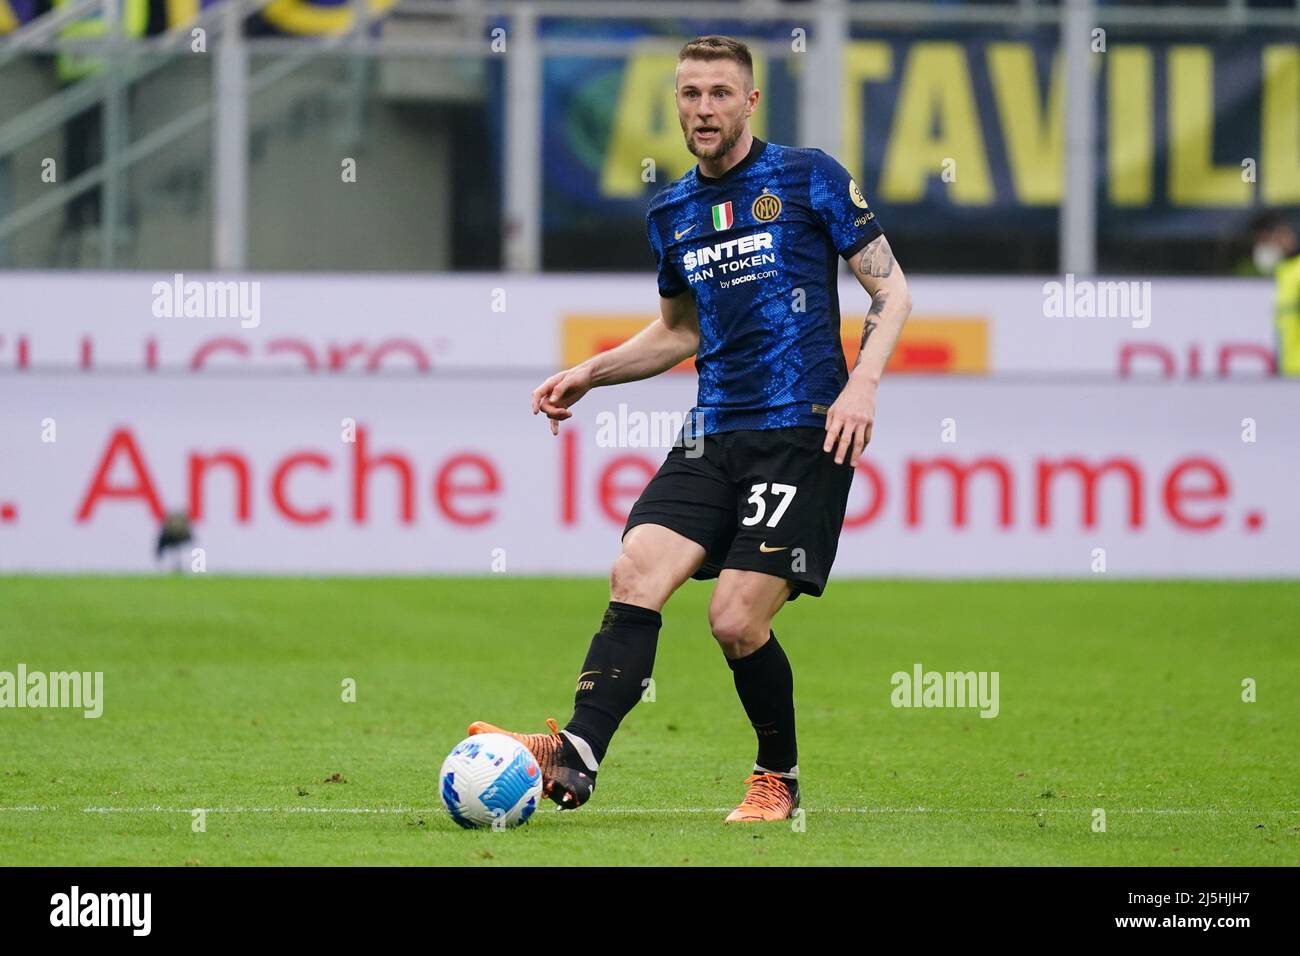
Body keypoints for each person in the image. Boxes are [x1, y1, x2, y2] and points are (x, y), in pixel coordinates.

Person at [470, 35, 912, 822]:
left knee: (735, 621)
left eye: (718, 93)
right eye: (689, 94)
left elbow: (893, 292)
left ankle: (778, 775)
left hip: (805, 430)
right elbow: (680, 330)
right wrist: (591, 372)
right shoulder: (673, 211)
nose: (703, 108)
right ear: (676, 103)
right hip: (714, 434)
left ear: (749, 101)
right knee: (636, 571)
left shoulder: (808, 177)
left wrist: (864, 385)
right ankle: (578, 752)